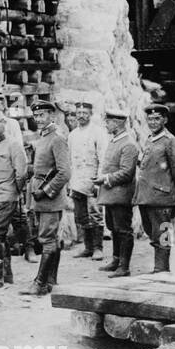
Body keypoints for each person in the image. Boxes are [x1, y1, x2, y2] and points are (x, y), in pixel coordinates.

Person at [21, 100, 70, 295]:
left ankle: (39, 283)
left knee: (47, 239)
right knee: (50, 239)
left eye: (42, 115)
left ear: (52, 116)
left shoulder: (57, 139)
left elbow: (64, 172)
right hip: (39, 194)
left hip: (50, 197)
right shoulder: (43, 138)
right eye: (36, 116)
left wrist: (47, 191)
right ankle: (51, 281)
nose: (38, 119)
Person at [135, 103, 175, 273]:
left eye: (157, 119)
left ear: (165, 120)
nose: (153, 122)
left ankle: (162, 269)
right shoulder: (150, 139)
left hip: (162, 197)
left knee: (163, 234)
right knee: (152, 232)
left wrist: (174, 191)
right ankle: (160, 267)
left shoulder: (170, 141)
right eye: (150, 119)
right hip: (146, 196)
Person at [0, 112, 28, 287]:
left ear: (4, 123)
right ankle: (7, 275)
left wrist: (13, 193)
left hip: (5, 197)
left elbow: (21, 173)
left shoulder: (14, 145)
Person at [95, 108, 139, 277]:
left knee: (123, 230)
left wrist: (105, 179)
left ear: (118, 123)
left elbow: (127, 173)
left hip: (121, 195)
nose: (106, 124)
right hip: (111, 194)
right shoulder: (115, 141)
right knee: (113, 228)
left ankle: (124, 265)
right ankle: (115, 259)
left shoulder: (128, 144)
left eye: (109, 121)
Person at [68, 100, 109, 260]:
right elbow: (70, 161)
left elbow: (103, 157)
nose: (81, 116)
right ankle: (88, 247)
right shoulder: (72, 135)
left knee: (96, 214)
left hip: (93, 180)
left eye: (85, 113)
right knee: (81, 216)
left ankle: (98, 248)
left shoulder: (98, 132)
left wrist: (99, 180)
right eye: (79, 113)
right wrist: (70, 183)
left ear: (90, 114)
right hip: (78, 181)